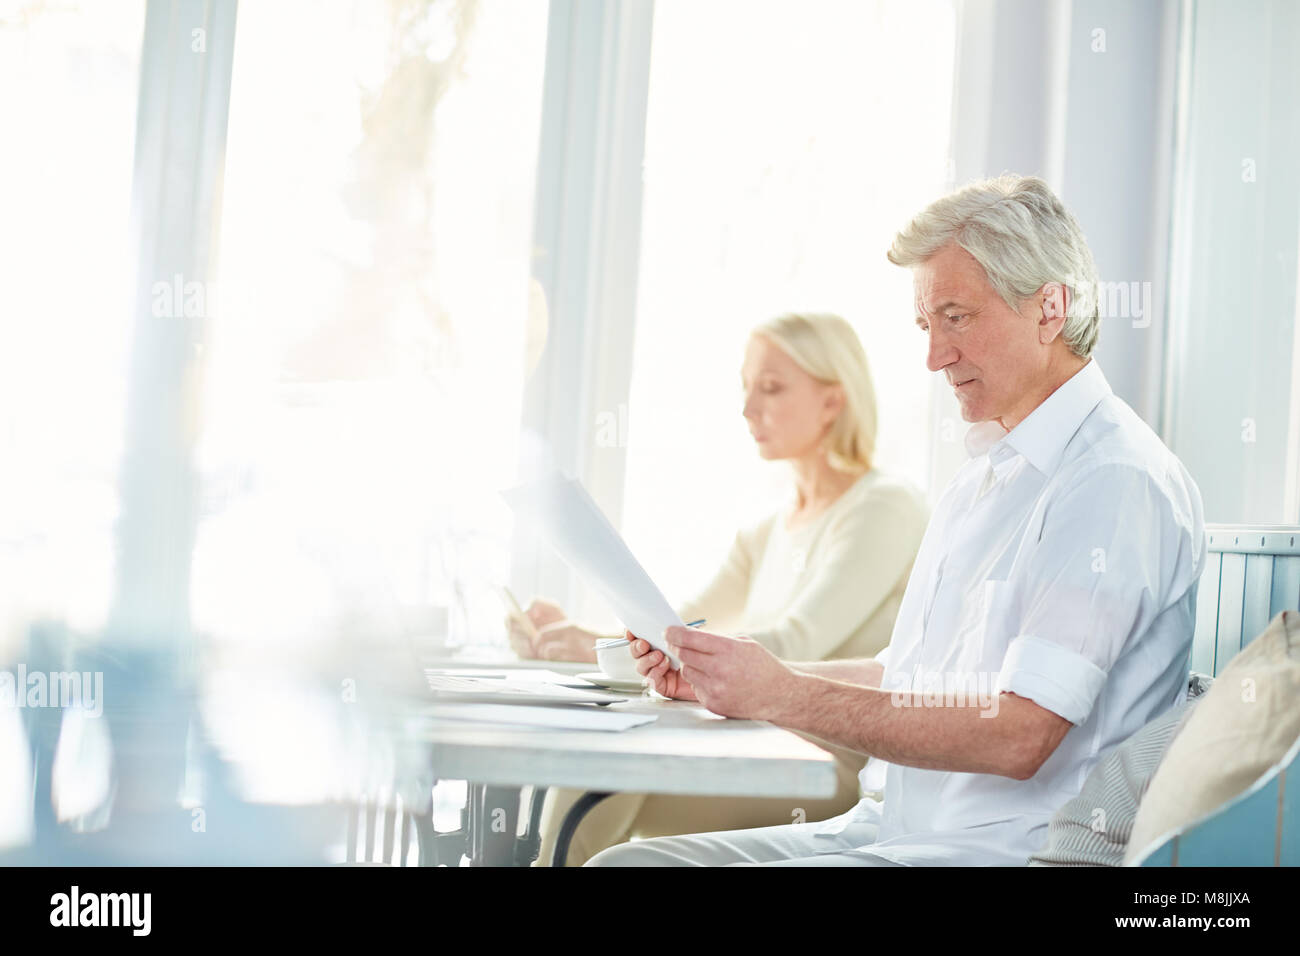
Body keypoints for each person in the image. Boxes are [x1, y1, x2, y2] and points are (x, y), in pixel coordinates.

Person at [590, 174, 1207, 867]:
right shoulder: (989, 474)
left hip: (1000, 853)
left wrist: (783, 695)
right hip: (893, 831)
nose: (934, 356)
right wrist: (736, 680)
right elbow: (909, 677)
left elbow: (1018, 734)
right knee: (625, 864)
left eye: (957, 317)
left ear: (1050, 308)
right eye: (926, 324)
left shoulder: (1112, 482)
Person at [508, 313, 929, 865]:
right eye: (746, 387)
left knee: (603, 786)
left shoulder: (884, 506)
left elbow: (795, 640)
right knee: (595, 780)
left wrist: (620, 647)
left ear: (833, 402)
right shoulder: (765, 531)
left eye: (772, 388)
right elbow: (676, 626)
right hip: (750, 744)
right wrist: (589, 639)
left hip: (820, 765)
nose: (749, 408)